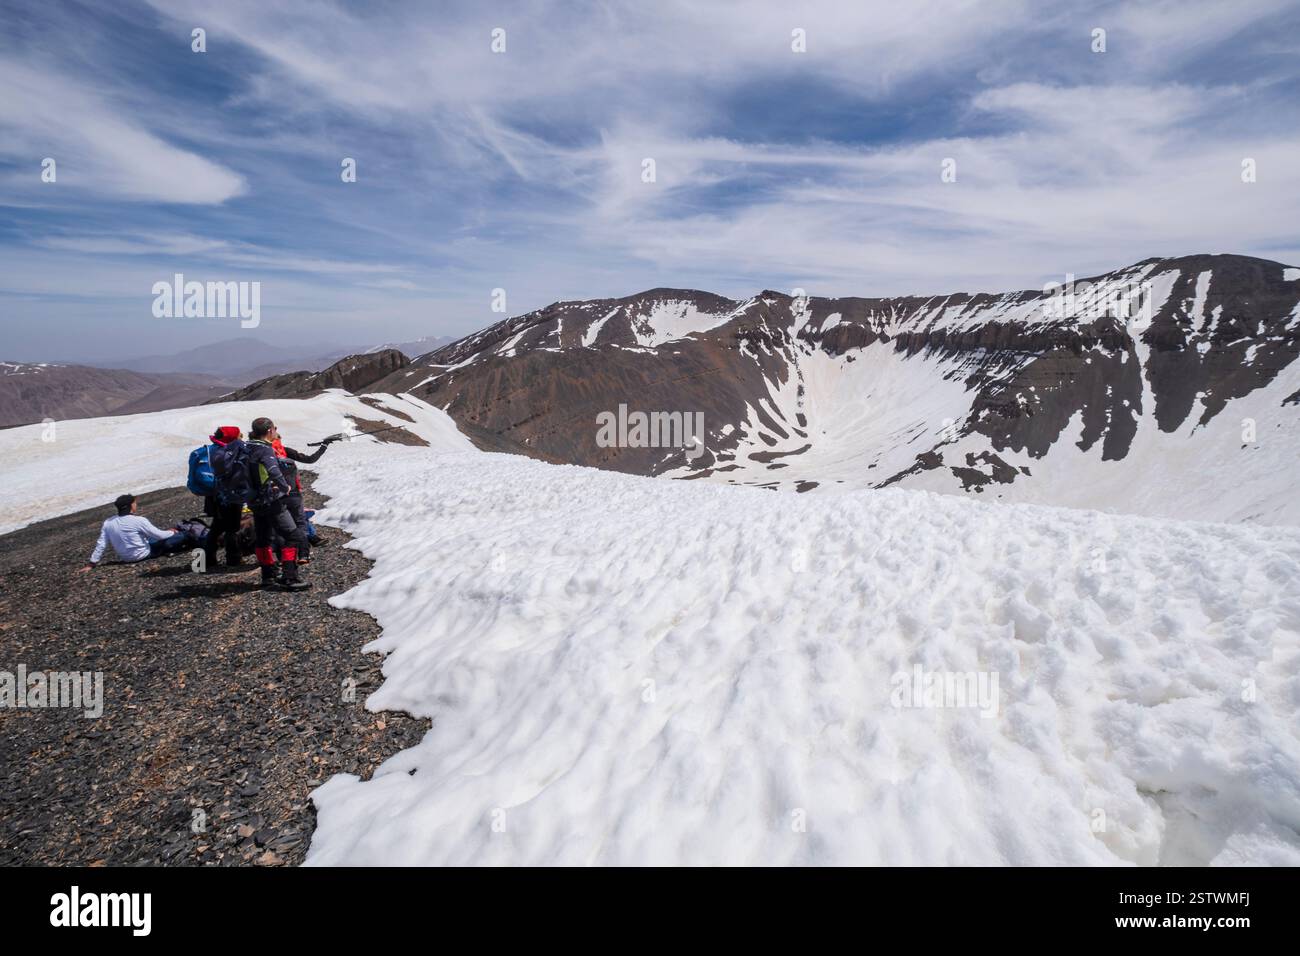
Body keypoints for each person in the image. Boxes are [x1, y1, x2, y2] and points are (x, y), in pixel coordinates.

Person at [246, 417, 311, 591]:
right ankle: (289, 577)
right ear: (269, 431)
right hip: (270, 500)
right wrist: (285, 487)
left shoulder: (246, 447)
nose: (275, 430)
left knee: (263, 539)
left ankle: (267, 576)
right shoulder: (265, 449)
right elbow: (274, 471)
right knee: (293, 535)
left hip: (254, 501)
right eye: (274, 428)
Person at [80, 495, 193, 571]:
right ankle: (192, 537)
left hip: (126, 557)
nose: (136, 505)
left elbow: (101, 544)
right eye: (134, 503)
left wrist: (92, 563)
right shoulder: (138, 520)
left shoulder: (108, 522)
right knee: (181, 535)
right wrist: (172, 532)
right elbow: (160, 535)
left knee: (149, 538)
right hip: (143, 554)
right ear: (131, 506)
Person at [270, 430, 335, 562]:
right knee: (300, 523)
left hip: (274, 495)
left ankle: (283, 558)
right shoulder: (285, 450)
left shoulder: (262, 453)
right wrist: (324, 446)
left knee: (280, 527)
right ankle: (303, 554)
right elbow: (310, 459)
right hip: (293, 493)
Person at [201, 426, 249, 573]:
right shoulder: (230, 451)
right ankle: (233, 558)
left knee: (216, 527)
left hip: (215, 496)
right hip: (230, 496)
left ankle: (207, 560)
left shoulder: (212, 450)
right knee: (232, 528)